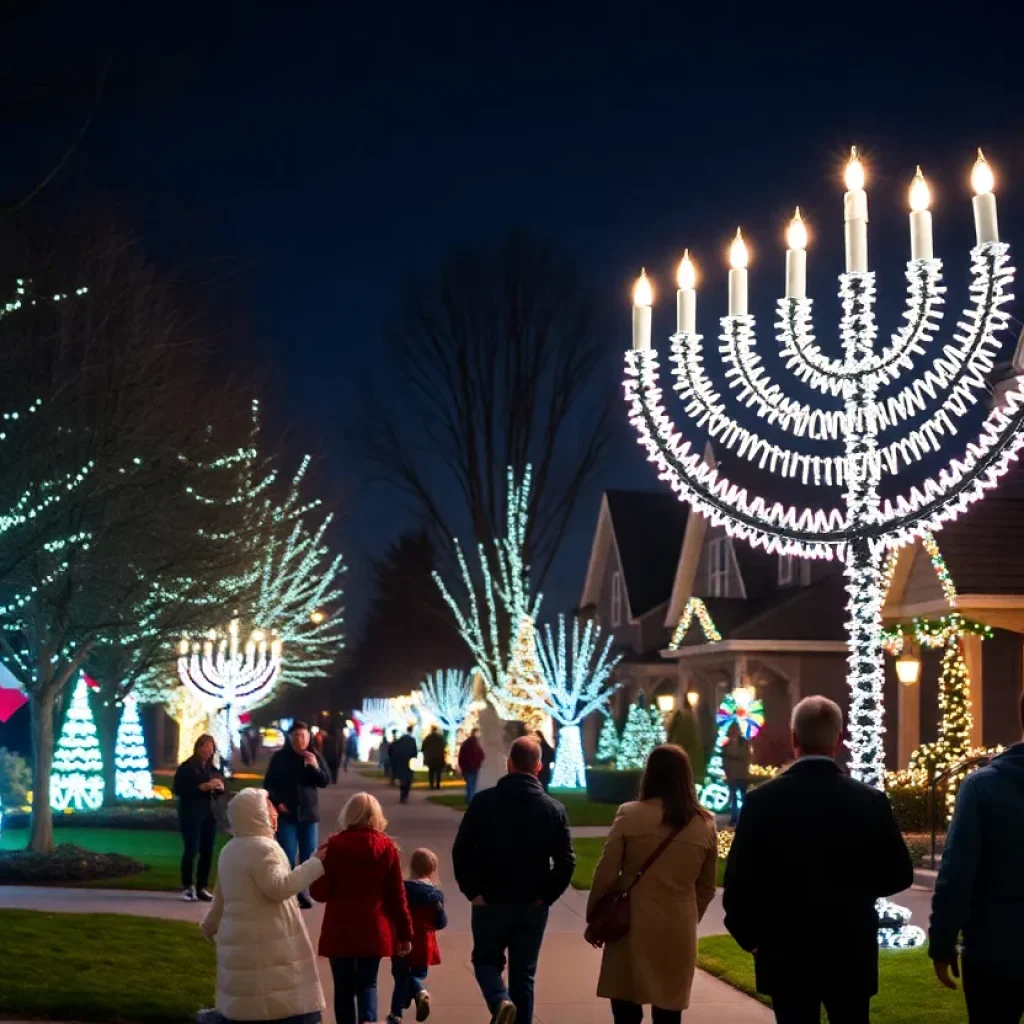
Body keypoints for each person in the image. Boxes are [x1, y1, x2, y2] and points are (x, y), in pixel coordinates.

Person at [723, 695, 913, 1024]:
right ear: (839, 740)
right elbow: (899, 875)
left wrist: (753, 940)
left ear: (794, 738)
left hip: (785, 954)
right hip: (850, 951)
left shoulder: (762, 803)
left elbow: (739, 886)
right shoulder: (870, 802)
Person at [587, 744, 717, 1024]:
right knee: (669, 1013)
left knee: (625, 1009)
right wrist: (690, 916)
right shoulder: (704, 824)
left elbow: (606, 872)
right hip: (678, 927)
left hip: (630, 923)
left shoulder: (630, 814)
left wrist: (595, 915)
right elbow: (706, 888)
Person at [453, 736, 576, 1024]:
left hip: (490, 900)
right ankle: (513, 1011)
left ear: (509, 763)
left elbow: (462, 851)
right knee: (524, 975)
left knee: (485, 961)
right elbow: (566, 861)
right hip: (531, 903)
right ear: (539, 766)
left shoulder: (483, 803)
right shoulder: (552, 809)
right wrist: (546, 895)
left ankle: (499, 1000)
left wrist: (473, 892)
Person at [929, 692, 1024, 1021]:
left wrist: (942, 943)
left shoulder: (982, 787)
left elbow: (957, 873)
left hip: (993, 949)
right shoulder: (982, 786)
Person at [200, 788, 327, 1024]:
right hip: (269, 942)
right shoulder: (263, 849)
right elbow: (279, 888)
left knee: (248, 1001)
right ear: (257, 814)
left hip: (239, 940)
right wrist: (316, 863)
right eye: (269, 807)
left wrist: (209, 925)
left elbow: (220, 895)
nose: (275, 812)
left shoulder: (230, 850)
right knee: (279, 1002)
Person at [310, 792, 414, 1024]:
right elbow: (397, 896)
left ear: (348, 814)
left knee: (343, 988)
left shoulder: (332, 847)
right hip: (373, 928)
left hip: (340, 929)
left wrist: (317, 861)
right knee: (368, 983)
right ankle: (368, 1019)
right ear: (376, 816)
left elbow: (320, 893)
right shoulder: (387, 848)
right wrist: (405, 934)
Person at [264, 720, 331, 910]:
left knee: (309, 858)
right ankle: (288, 893)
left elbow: (324, 781)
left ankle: (302, 893)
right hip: (287, 815)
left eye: (303, 735)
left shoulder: (314, 756)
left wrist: (315, 767)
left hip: (309, 815)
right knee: (287, 854)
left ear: (308, 738)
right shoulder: (280, 758)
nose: (299, 739)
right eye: (296, 735)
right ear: (290, 737)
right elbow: (268, 784)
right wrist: (278, 803)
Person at [388, 847, 448, 1023]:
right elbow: (441, 922)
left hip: (402, 940)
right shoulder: (435, 895)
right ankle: (419, 991)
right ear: (432, 870)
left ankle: (397, 1013)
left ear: (411, 867)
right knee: (417, 974)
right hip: (424, 943)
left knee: (400, 978)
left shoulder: (402, 890)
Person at [173, 734, 225, 902]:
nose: (207, 751)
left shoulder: (212, 769)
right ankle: (188, 886)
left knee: (207, 851)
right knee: (191, 849)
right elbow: (178, 789)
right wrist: (199, 788)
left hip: (209, 814)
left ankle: (202, 886)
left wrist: (218, 788)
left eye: (211, 748)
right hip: (191, 813)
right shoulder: (187, 768)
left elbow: (218, 791)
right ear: (198, 747)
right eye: (204, 747)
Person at [723, 721, 752, 826]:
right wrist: (727, 771)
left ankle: (746, 817)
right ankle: (734, 818)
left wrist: (736, 760)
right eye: (732, 730)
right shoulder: (727, 744)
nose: (733, 732)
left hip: (741, 774)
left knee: (744, 797)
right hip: (732, 775)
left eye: (735, 729)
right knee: (733, 797)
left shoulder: (743, 742)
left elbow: (747, 756)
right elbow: (725, 760)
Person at [390, 725, 419, 804]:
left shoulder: (400, 741)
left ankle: (402, 796)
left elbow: (395, 751)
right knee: (408, 779)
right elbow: (415, 752)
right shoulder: (412, 740)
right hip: (409, 762)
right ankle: (405, 795)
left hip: (402, 762)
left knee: (403, 779)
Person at [458, 728, 485, 804]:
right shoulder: (477, 744)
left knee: (469, 785)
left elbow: (461, 757)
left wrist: (462, 767)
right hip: (474, 767)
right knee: (473, 785)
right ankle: (471, 801)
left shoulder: (466, 743)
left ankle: (469, 800)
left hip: (467, 767)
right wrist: (479, 763)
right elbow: (482, 755)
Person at [421, 726, 447, 791]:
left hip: (430, 758)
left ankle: (431, 785)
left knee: (431, 771)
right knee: (438, 772)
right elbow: (444, 745)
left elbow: (423, 748)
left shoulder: (428, 738)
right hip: (439, 757)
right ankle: (438, 784)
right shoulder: (440, 738)